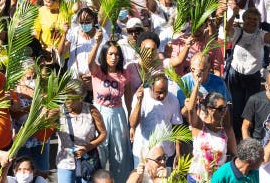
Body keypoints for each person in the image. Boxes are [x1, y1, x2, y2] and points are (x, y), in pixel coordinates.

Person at [87, 30, 133, 182]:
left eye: (117, 54)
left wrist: (131, 122)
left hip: (118, 113)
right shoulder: (98, 71)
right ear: (105, 55)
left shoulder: (124, 73)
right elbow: (89, 61)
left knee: (120, 154)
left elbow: (128, 98)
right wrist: (97, 43)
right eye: (110, 54)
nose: (114, 57)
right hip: (99, 112)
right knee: (100, 153)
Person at [56, 81, 107, 183]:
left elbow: (103, 134)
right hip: (65, 161)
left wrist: (87, 147)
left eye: (70, 99)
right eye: (65, 98)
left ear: (80, 98)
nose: (66, 102)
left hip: (88, 161)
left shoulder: (91, 110)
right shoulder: (58, 111)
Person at [129, 75, 182, 167]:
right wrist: (139, 102)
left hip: (166, 154)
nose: (163, 95)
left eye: (165, 91)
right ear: (150, 88)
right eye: (159, 92)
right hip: (143, 153)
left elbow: (177, 128)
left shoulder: (173, 99)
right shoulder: (141, 96)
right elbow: (133, 124)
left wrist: (178, 153)